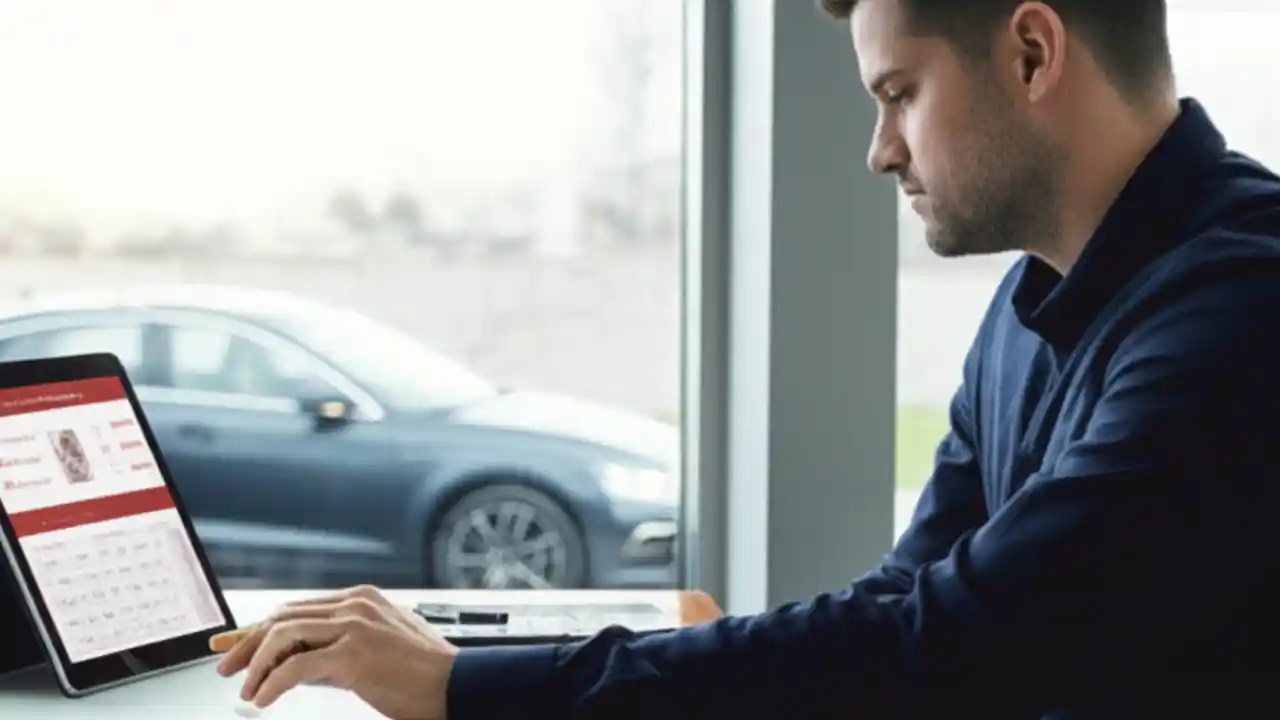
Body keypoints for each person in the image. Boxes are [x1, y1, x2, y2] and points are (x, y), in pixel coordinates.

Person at [215, 0, 1280, 717]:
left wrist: (465, 687)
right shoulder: (1030, 304)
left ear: (1032, 53)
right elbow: (901, 605)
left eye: (897, 92)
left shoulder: (1240, 310)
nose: (880, 150)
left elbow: (948, 647)